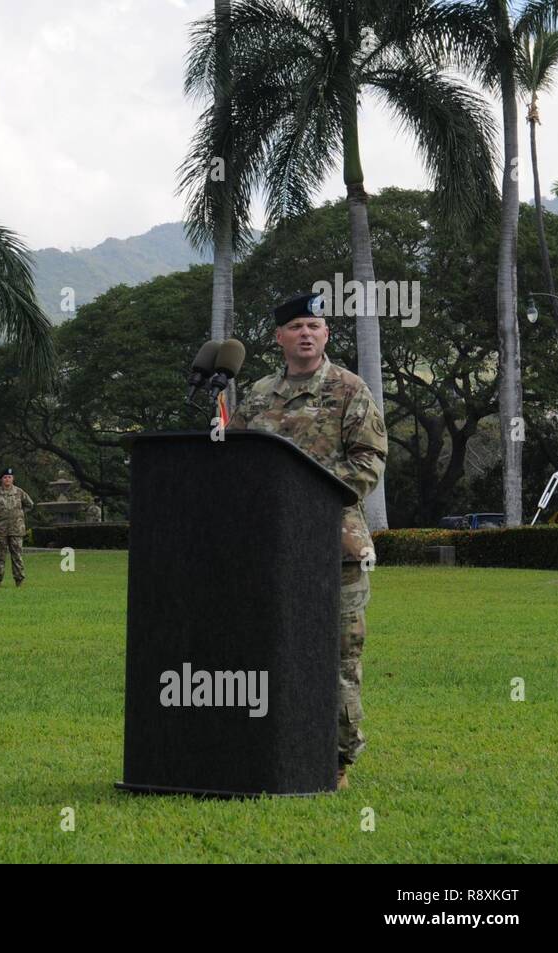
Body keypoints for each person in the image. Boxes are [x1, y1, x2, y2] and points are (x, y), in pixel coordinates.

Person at [229, 292, 388, 790]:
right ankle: (268, 747)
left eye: (314, 326)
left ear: (326, 335)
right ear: (279, 337)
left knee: (338, 655)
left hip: (336, 546)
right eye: (295, 326)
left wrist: (302, 490)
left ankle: (336, 761)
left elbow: (368, 464)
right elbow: (235, 462)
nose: (305, 333)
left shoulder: (349, 390)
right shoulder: (256, 396)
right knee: (265, 650)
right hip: (268, 549)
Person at [0, 468, 34, 588]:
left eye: (9, 477)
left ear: (13, 479)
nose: (7, 479)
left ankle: (19, 581)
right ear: (1, 480)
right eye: (5, 477)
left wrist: (20, 514)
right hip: (1, 529)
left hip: (16, 529)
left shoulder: (19, 492)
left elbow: (30, 504)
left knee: (17, 556)